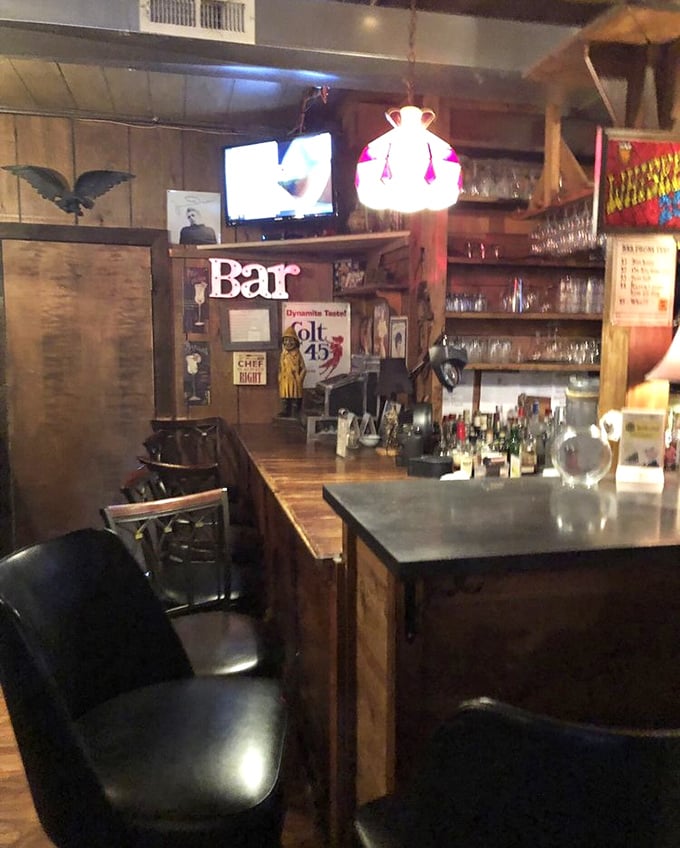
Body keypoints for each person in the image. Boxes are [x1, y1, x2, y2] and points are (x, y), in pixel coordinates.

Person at [278, 325, 307, 418]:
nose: (288, 343)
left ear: (295, 341)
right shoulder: (283, 354)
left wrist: (300, 378)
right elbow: (280, 367)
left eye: (290, 340)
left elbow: (304, 368)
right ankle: (285, 411)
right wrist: (280, 377)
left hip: (295, 380)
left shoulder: (297, 354)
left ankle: (295, 412)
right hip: (285, 380)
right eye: (286, 340)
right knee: (285, 397)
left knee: (295, 396)